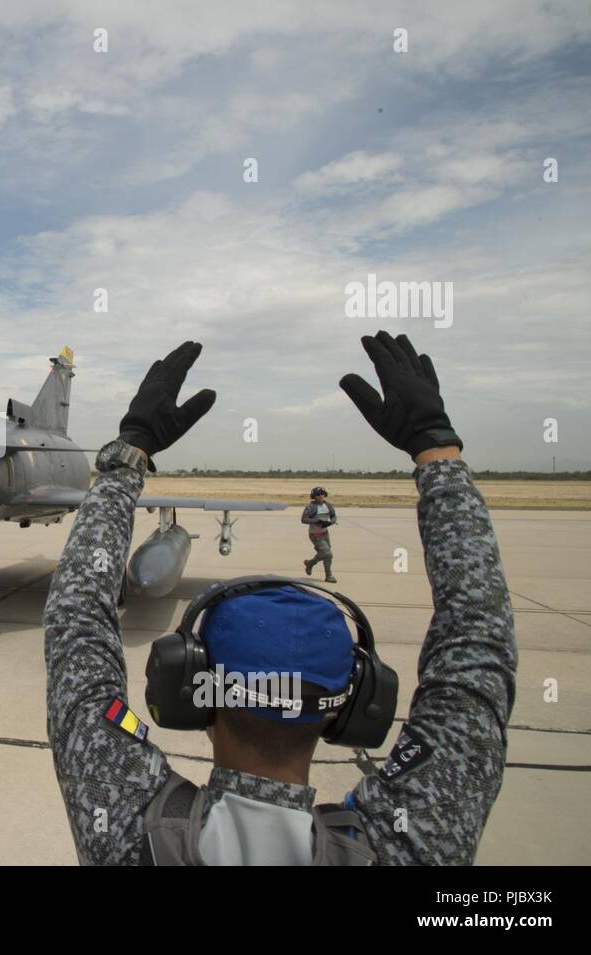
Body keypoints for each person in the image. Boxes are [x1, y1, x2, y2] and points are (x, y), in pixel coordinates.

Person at [43, 333, 516, 865]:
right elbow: (478, 649)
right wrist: (437, 449)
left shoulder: (130, 832)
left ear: (190, 686)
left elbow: (76, 620)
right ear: (354, 705)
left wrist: (130, 450)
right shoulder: (415, 839)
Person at [301, 486, 337, 582]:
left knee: (327, 555)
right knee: (327, 554)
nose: (321, 496)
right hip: (315, 534)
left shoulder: (328, 505)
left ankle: (311, 564)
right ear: (314, 496)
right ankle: (328, 575)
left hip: (325, 533)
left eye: (322, 494)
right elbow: (303, 519)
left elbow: (334, 517)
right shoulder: (311, 507)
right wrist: (316, 521)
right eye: (318, 494)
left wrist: (330, 522)